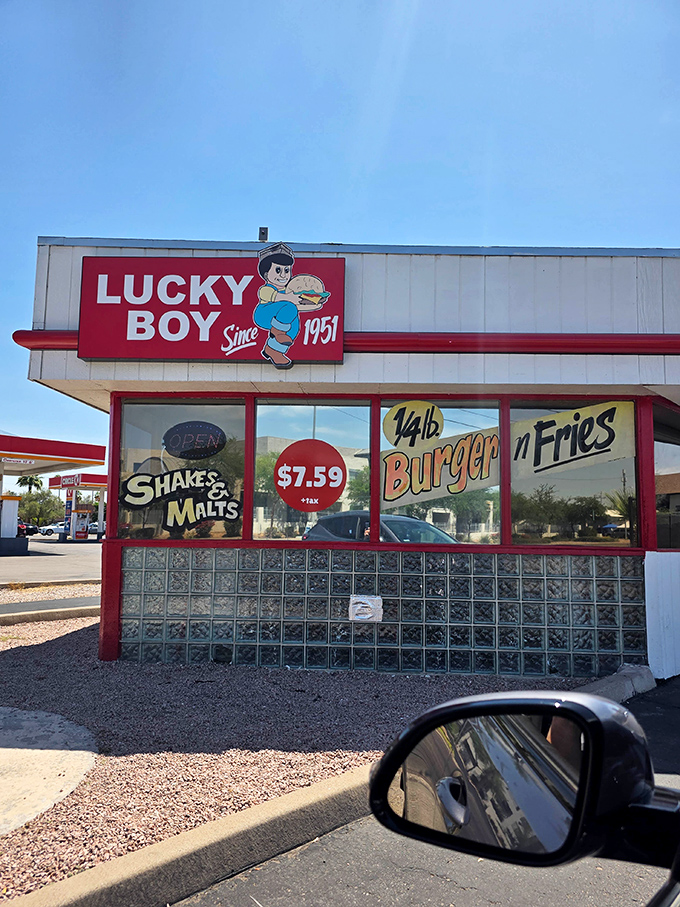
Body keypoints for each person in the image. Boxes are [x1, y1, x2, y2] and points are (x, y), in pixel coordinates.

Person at [253, 242, 301, 369]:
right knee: (290, 307)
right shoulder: (267, 289)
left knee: (295, 326)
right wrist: (289, 298)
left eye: (287, 270)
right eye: (278, 270)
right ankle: (278, 332)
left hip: (279, 319)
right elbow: (272, 296)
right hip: (264, 314)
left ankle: (273, 350)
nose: (283, 275)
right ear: (266, 274)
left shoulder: (289, 290)